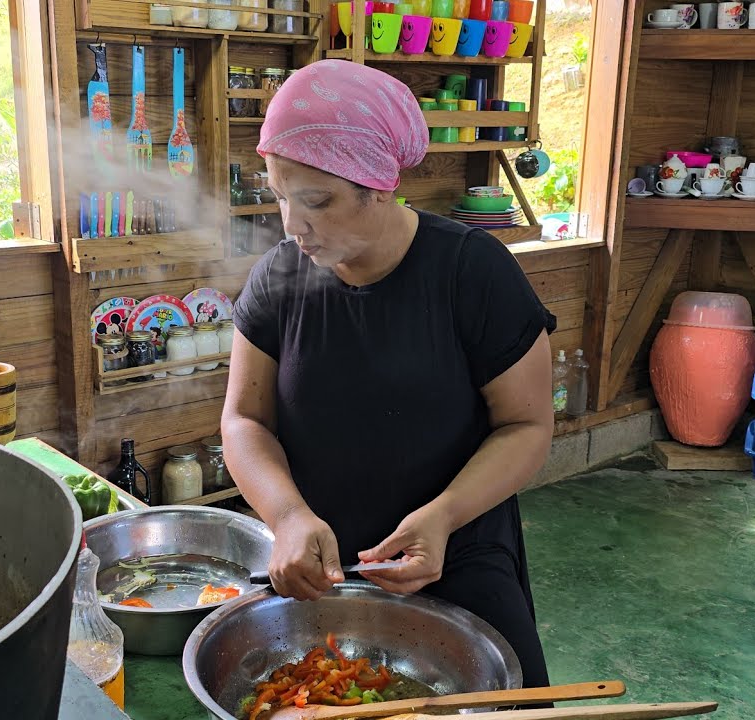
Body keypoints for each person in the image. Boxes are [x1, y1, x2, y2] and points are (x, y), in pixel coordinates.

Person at [220, 59, 556, 688]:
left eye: (316, 201)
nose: (292, 225)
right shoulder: (279, 277)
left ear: (377, 186)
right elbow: (244, 419)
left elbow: (527, 425)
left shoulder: (472, 272)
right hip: (317, 565)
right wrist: (287, 516)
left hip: (457, 550)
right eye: (281, 195)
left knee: (513, 701)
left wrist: (444, 516)